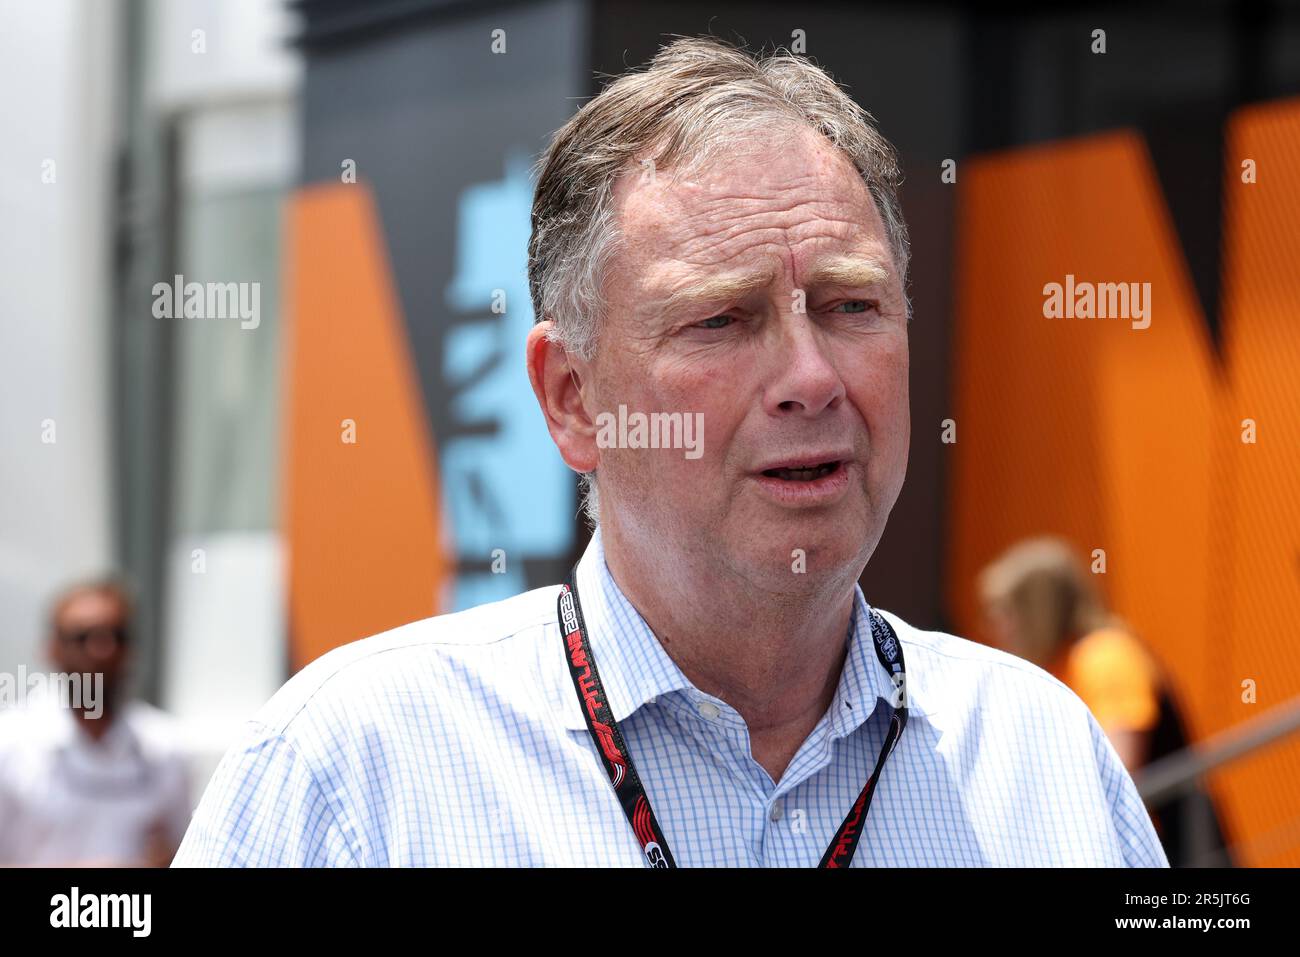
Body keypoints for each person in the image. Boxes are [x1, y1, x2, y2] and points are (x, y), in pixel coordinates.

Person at [174, 36, 1167, 867]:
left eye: (849, 305)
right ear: (572, 400)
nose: (812, 377)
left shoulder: (1045, 762)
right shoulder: (354, 771)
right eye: (723, 320)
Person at [978, 537, 1233, 866]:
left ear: (1040, 609)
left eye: (1004, 612)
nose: (992, 627)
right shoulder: (1061, 664)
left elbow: (1122, 770)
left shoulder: (1106, 656)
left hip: (1167, 850)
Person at [0, 580, 192, 867]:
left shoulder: (164, 747)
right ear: (51, 649)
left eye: (116, 635)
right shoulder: (11, 744)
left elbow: (187, 853)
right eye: (83, 637)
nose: (101, 650)